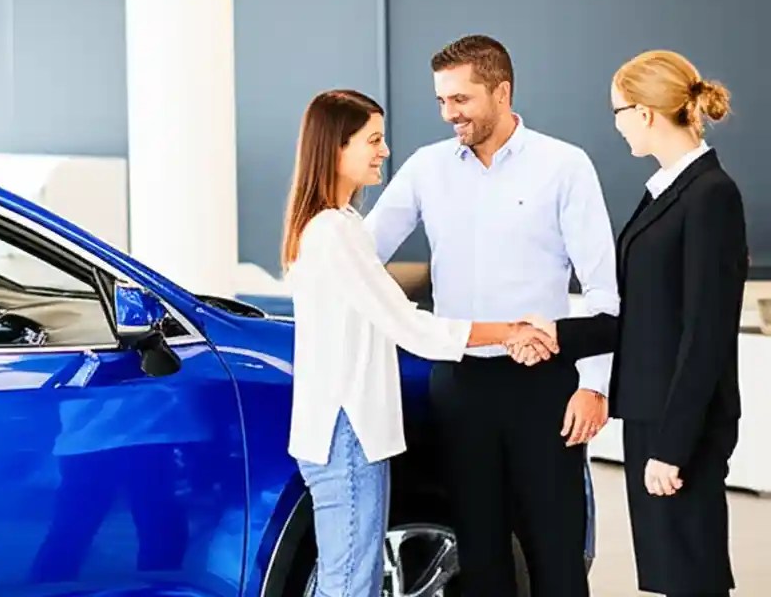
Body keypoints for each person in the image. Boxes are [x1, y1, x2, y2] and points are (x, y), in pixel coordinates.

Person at [363, 35, 619, 597]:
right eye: (441, 101)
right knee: (478, 556)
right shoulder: (427, 168)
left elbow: (603, 289)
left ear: (501, 91)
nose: (449, 113)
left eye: (461, 99)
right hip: (459, 384)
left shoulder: (564, 165)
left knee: (556, 551)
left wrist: (594, 387)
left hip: (544, 387)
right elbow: (360, 254)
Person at [281, 88, 556, 597]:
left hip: (346, 431)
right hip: (347, 431)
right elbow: (408, 325)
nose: (384, 151)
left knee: (350, 578)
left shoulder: (336, 226)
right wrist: (509, 331)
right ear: (336, 148)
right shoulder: (332, 233)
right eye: (374, 140)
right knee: (349, 584)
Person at [518, 49, 746, 597]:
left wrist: (672, 446)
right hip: (653, 415)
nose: (617, 126)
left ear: (645, 112)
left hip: (679, 423)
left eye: (618, 112)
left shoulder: (711, 195)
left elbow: (706, 334)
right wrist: (557, 333)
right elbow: (643, 315)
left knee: (693, 575)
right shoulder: (664, 191)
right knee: (673, 576)